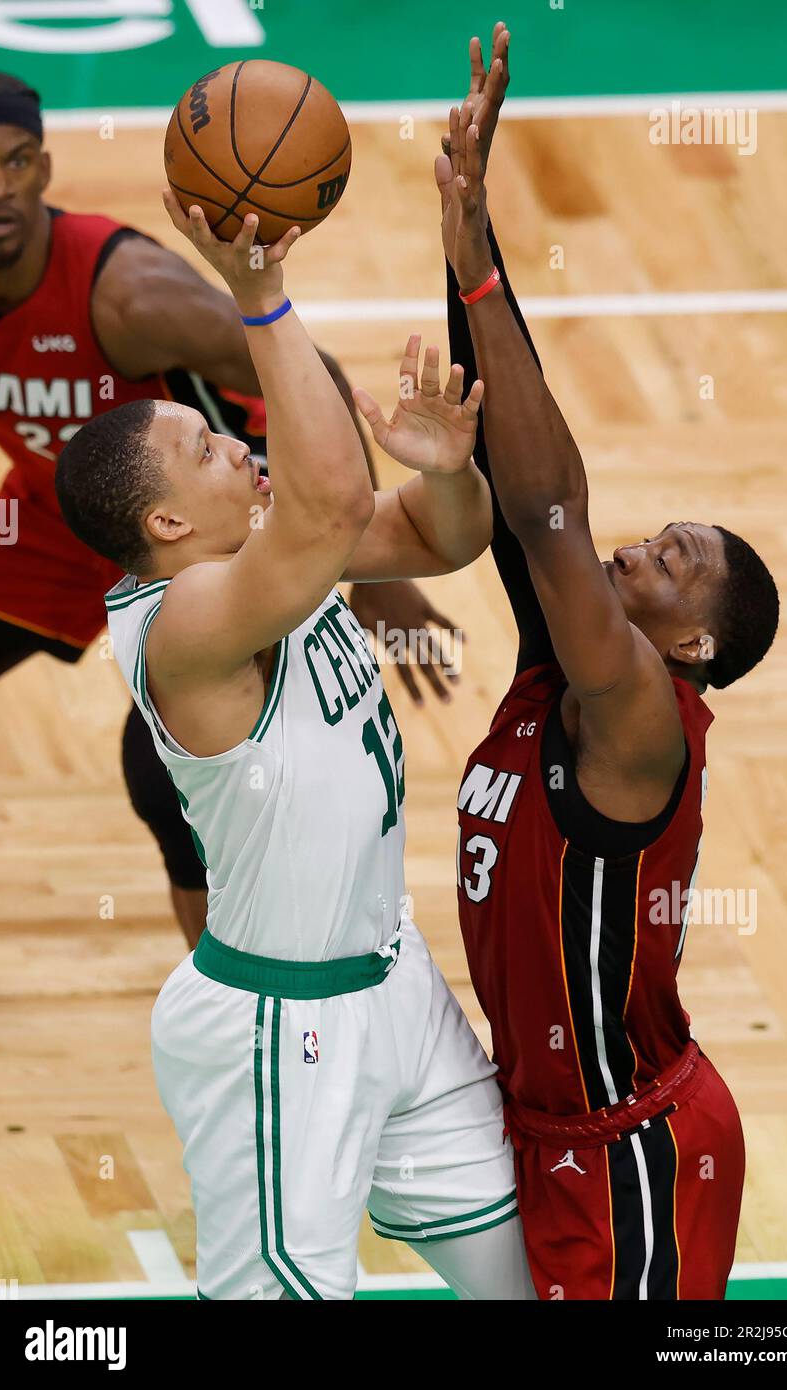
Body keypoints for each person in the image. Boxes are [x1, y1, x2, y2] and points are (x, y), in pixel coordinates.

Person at [53, 192, 536, 1302]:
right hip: (279, 1031)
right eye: (205, 448)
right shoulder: (183, 630)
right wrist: (258, 295)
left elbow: (438, 537)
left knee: (527, 1271)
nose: (233, 443)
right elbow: (327, 511)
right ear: (167, 525)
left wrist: (449, 468)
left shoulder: (281, 548)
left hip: (392, 984)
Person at [440, 27, 779, 1300]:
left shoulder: (642, 712)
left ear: (691, 643)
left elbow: (549, 518)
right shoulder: (566, 680)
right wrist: (460, 226)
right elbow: (519, 474)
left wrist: (475, 257)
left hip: (631, 1149)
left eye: (678, 557)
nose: (649, 542)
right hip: (531, 1125)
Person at [0, 68, 462, 948]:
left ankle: (228, 966)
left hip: (219, 500)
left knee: (158, 765)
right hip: (56, 510)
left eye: (14, 163)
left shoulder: (132, 299)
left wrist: (364, 556)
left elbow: (309, 367)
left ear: (45, 169)